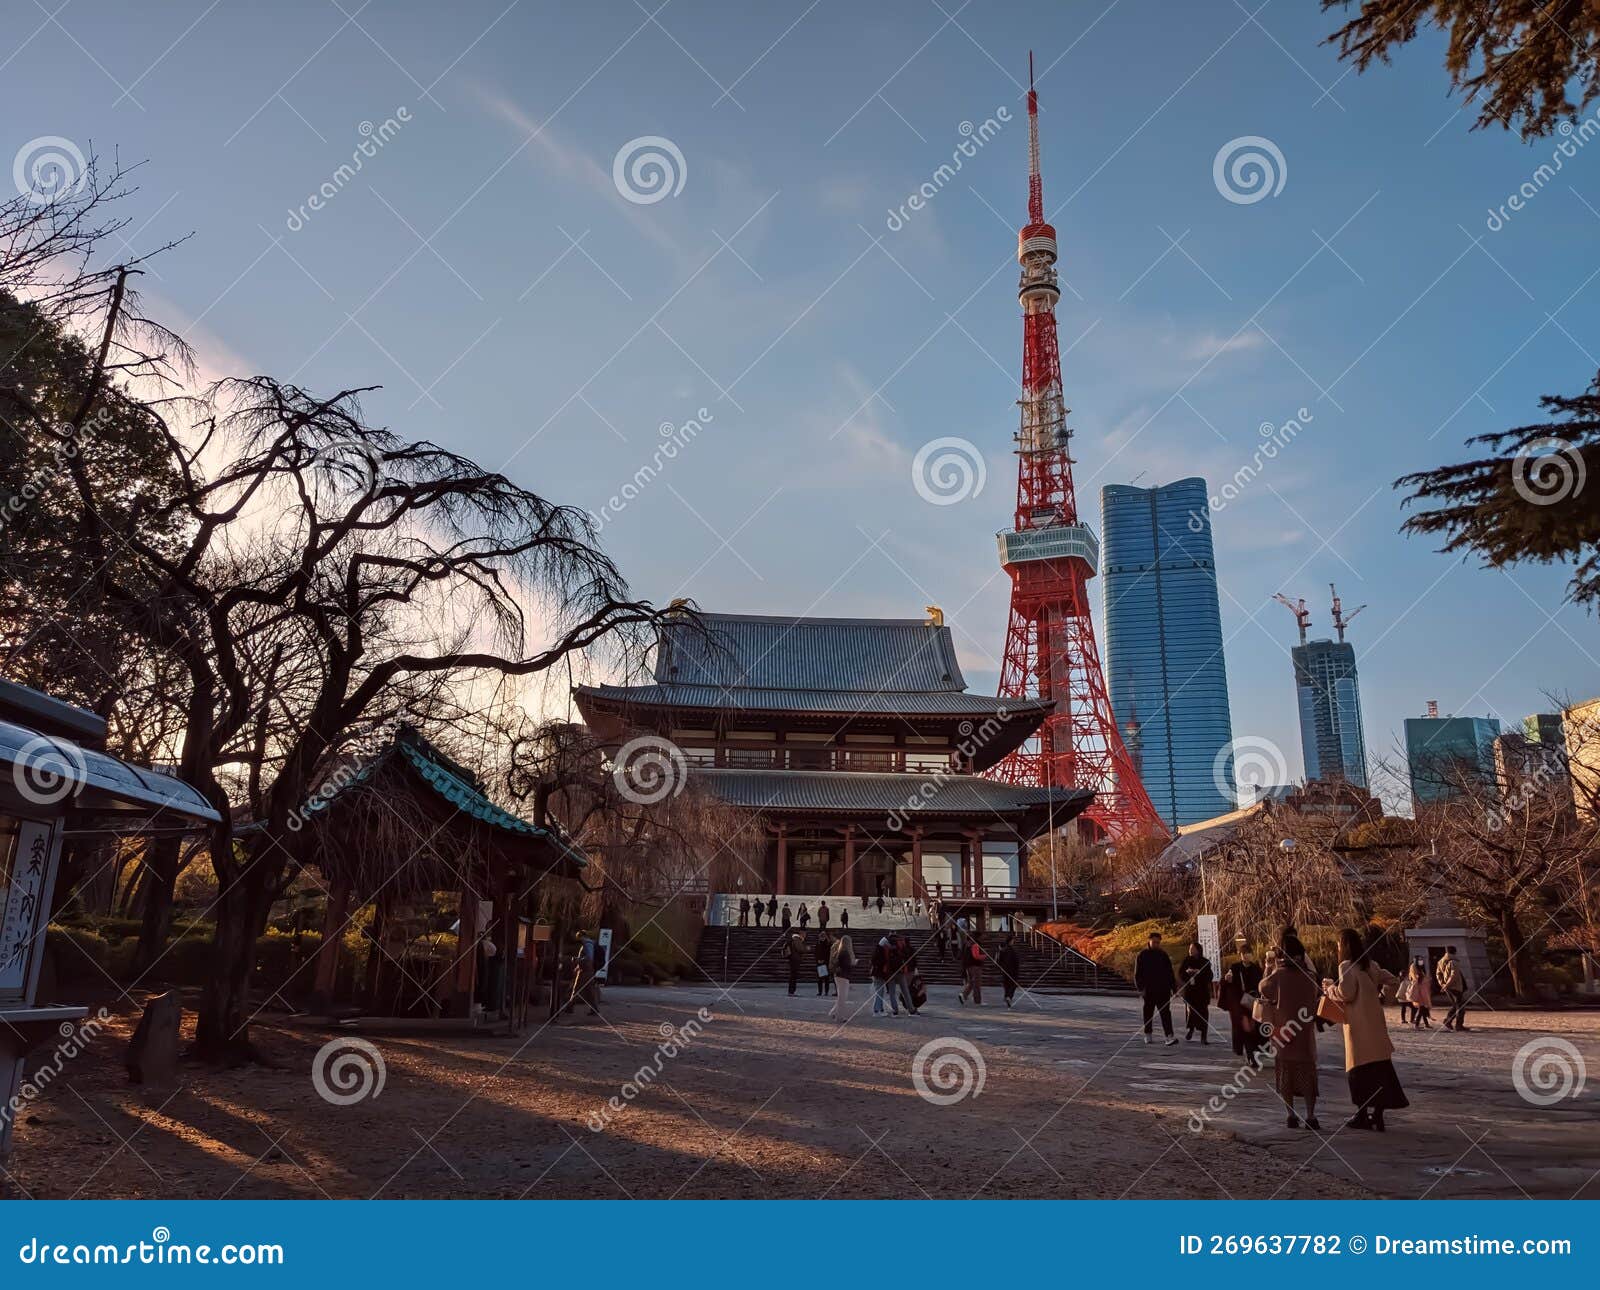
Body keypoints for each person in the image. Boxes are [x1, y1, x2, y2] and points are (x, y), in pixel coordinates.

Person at [1323, 928, 1408, 1131]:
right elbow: (1393, 981)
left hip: (1357, 1026)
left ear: (1343, 946)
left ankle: (1361, 1115)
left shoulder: (1346, 966)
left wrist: (1329, 989)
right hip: (1375, 1025)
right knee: (1380, 1070)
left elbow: (1347, 993)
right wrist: (1381, 996)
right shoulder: (1371, 965)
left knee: (1358, 1072)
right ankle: (1377, 1115)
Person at [1258, 932, 1321, 1129]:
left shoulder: (1278, 975)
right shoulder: (1309, 977)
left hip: (1283, 1032)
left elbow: (1263, 988)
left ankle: (1291, 1115)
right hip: (1304, 1032)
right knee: (1308, 1074)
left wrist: (1269, 968)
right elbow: (1315, 993)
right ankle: (1311, 1115)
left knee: (1286, 1074)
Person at [1219, 948, 1265, 1066]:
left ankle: (1253, 1053)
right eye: (1243, 953)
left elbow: (1262, 984)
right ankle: (1250, 1056)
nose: (1246, 956)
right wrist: (1227, 979)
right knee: (1245, 1028)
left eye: (1248, 953)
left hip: (1253, 1003)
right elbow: (1226, 981)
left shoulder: (1256, 968)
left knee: (1254, 1029)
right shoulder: (1235, 967)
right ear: (1240, 955)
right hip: (1239, 1004)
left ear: (1252, 955)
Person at [1134, 931, 1179, 1045]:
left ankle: (1169, 1036)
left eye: (1158, 943)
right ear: (1149, 941)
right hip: (1149, 990)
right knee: (1148, 1012)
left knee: (1165, 1013)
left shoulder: (1163, 955)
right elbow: (1137, 974)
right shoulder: (1142, 955)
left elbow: (1170, 973)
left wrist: (1174, 988)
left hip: (1163, 990)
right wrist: (1141, 988)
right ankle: (1148, 1034)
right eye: (1154, 942)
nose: (1156, 944)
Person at [1178, 942, 1214, 1044]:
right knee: (1191, 1011)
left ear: (1198, 950)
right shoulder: (1186, 961)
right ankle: (1191, 1028)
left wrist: (1199, 973)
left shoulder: (1205, 962)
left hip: (1202, 992)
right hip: (1190, 991)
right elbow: (1180, 973)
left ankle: (1204, 1036)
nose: (1190, 950)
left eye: (1193, 948)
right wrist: (1188, 973)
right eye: (1190, 948)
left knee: (1203, 1013)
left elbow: (1209, 976)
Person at [1437, 947, 1470, 1031]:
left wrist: (1443, 984)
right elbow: (1453, 975)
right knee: (1460, 1007)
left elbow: (1438, 974)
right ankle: (1458, 1025)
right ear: (1455, 952)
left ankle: (1448, 1021)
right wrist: (1447, 985)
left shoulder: (1440, 961)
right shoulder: (1454, 962)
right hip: (1455, 987)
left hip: (1447, 987)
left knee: (1456, 1005)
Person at [827, 933, 856, 1020]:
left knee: (841, 997)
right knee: (842, 998)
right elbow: (846, 966)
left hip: (838, 976)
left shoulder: (839, 951)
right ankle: (839, 1016)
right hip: (843, 976)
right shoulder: (845, 953)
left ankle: (834, 1012)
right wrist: (853, 963)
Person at [893, 933, 921, 1015]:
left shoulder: (903, 949)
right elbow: (915, 961)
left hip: (905, 971)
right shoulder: (911, 949)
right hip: (910, 971)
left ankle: (904, 1001)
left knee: (904, 988)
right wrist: (915, 968)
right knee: (906, 988)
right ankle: (908, 1004)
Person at [870, 936, 899, 1016]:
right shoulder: (881, 951)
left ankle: (880, 1009)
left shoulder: (879, 950)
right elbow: (879, 963)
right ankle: (876, 1010)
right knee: (879, 992)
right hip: (878, 974)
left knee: (880, 992)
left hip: (878, 974)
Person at [959, 932, 987, 1005]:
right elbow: (976, 956)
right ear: (978, 937)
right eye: (981, 937)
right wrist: (984, 956)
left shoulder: (968, 944)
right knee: (977, 983)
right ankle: (977, 1001)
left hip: (969, 966)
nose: (982, 938)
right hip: (975, 966)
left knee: (971, 983)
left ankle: (963, 995)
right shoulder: (975, 944)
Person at [997, 933, 1022, 1008]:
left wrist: (1002, 967)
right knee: (1013, 984)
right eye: (1013, 940)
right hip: (1013, 970)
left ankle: (1006, 996)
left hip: (1005, 969)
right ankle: (1009, 997)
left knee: (1006, 984)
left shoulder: (1003, 950)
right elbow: (1016, 961)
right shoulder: (1013, 951)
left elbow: (999, 961)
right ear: (1011, 941)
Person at [1408, 960, 1434, 1028]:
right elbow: (1422, 988)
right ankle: (1417, 1025)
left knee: (1422, 1010)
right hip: (1421, 996)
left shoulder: (1418, 975)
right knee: (1421, 1010)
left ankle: (1426, 1024)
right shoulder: (1419, 976)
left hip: (1421, 996)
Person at [814, 930, 833, 995]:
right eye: (821, 936)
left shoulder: (828, 944)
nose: (822, 937)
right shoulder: (818, 943)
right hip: (820, 963)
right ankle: (820, 991)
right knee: (820, 978)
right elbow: (815, 953)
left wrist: (824, 960)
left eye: (823, 936)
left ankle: (826, 992)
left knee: (826, 978)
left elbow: (829, 954)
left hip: (825, 963)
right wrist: (817, 960)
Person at [786, 931, 806, 995]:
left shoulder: (793, 939)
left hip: (792, 959)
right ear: (800, 934)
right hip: (795, 959)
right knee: (793, 976)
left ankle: (791, 991)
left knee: (793, 975)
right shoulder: (797, 939)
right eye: (804, 934)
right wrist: (806, 948)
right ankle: (791, 991)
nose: (805, 935)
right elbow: (800, 949)